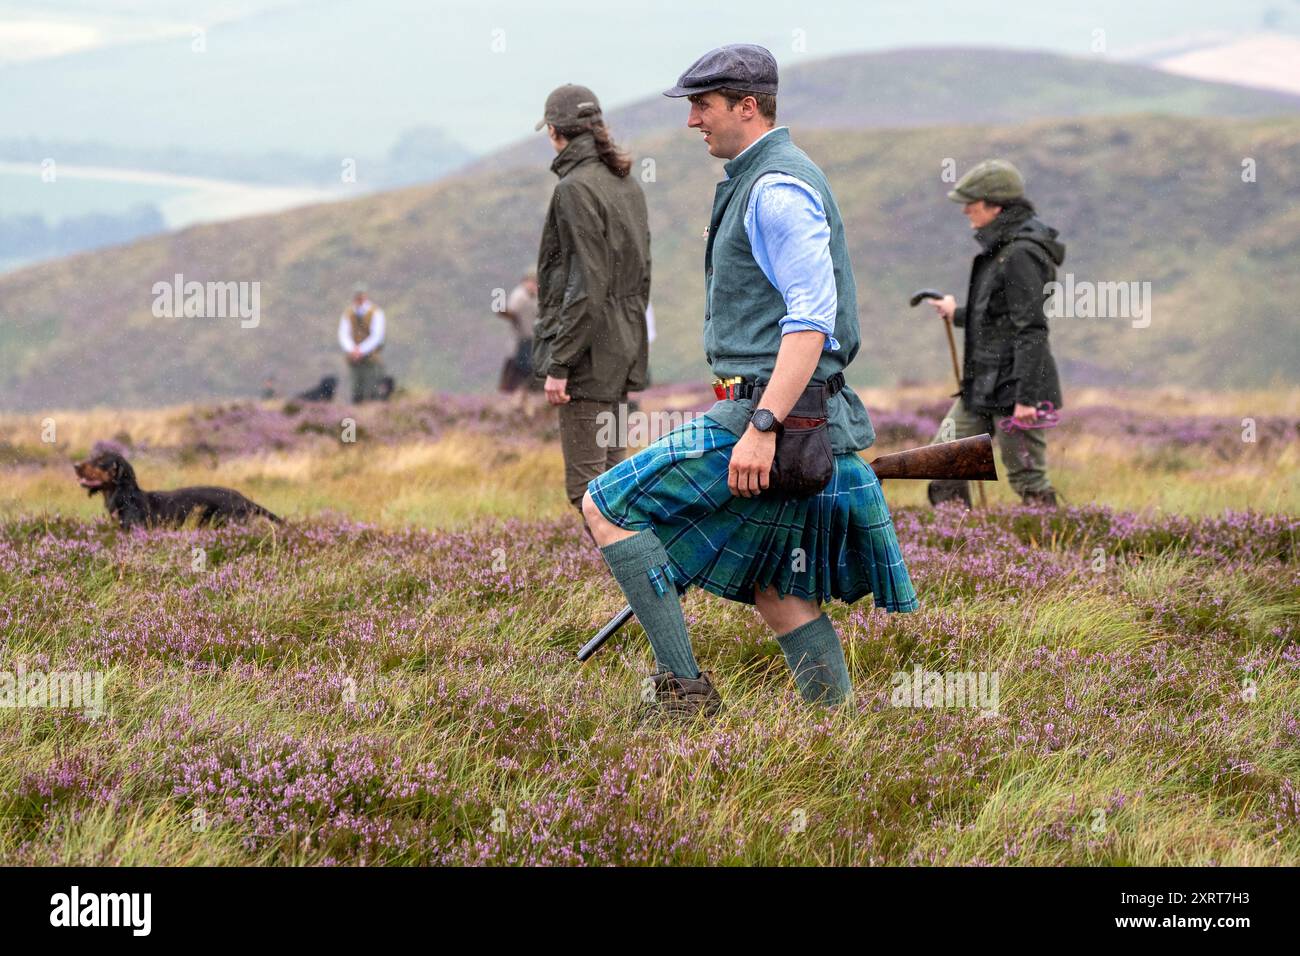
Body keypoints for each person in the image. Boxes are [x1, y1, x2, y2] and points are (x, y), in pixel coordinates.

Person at [580, 44, 917, 719]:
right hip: (795, 413)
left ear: (746, 105)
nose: (692, 121)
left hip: (771, 415)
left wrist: (763, 427)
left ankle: (685, 693)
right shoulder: (758, 178)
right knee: (776, 585)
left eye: (702, 106)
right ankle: (837, 730)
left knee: (605, 505)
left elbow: (811, 321)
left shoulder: (778, 188)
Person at [533, 83, 651, 512]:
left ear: (553, 131)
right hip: (622, 353)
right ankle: (641, 574)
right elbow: (641, 277)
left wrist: (560, 363)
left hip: (588, 360)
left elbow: (586, 284)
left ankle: (644, 574)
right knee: (615, 483)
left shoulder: (574, 190)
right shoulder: (626, 185)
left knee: (588, 492)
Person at [925, 160, 1064, 507]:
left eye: (971, 205)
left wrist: (1027, 398)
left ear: (995, 206)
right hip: (983, 383)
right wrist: (956, 313)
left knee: (1028, 481)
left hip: (1017, 388)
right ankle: (957, 547)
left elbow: (1030, 328)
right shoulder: (1002, 249)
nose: (966, 212)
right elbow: (996, 315)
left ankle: (1052, 551)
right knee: (942, 462)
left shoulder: (1021, 254)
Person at [338, 283, 389, 403]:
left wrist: (361, 350)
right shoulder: (348, 313)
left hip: (371, 357)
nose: (359, 298)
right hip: (354, 359)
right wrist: (352, 349)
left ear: (366, 296)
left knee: (373, 388)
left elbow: (377, 336)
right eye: (357, 296)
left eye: (361, 295)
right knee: (357, 389)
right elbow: (343, 334)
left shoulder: (376, 312)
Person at [496, 267, 542, 398]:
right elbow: (510, 312)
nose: (532, 285)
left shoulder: (538, 299)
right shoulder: (519, 296)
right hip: (520, 342)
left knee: (532, 373)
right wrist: (503, 310)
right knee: (514, 374)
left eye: (535, 282)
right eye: (530, 282)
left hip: (534, 342)